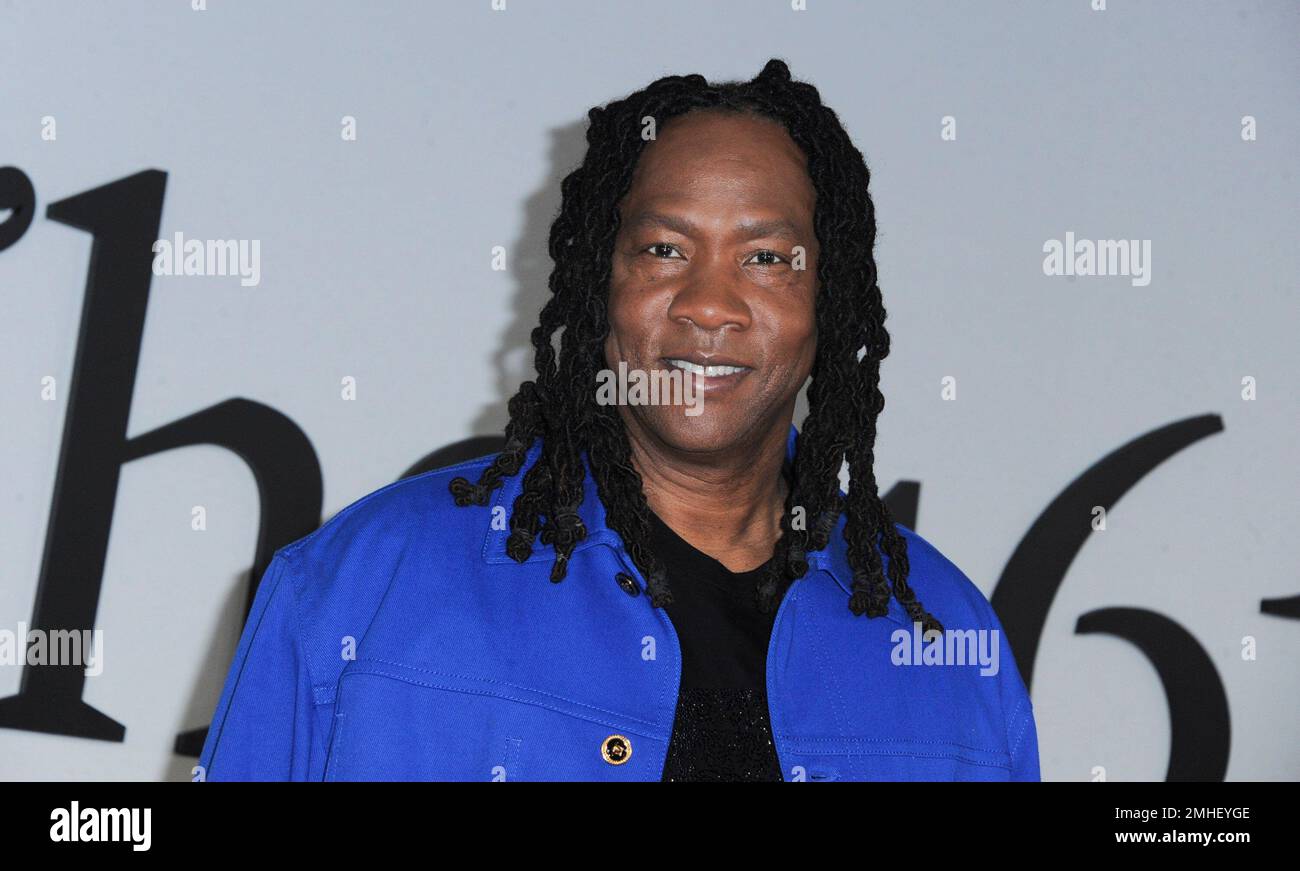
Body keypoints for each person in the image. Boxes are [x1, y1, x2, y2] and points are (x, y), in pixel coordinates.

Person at [197, 58, 1040, 782]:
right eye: (665, 249)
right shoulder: (358, 588)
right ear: (601, 284)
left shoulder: (947, 639)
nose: (710, 304)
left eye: (767, 258)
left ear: (831, 303)